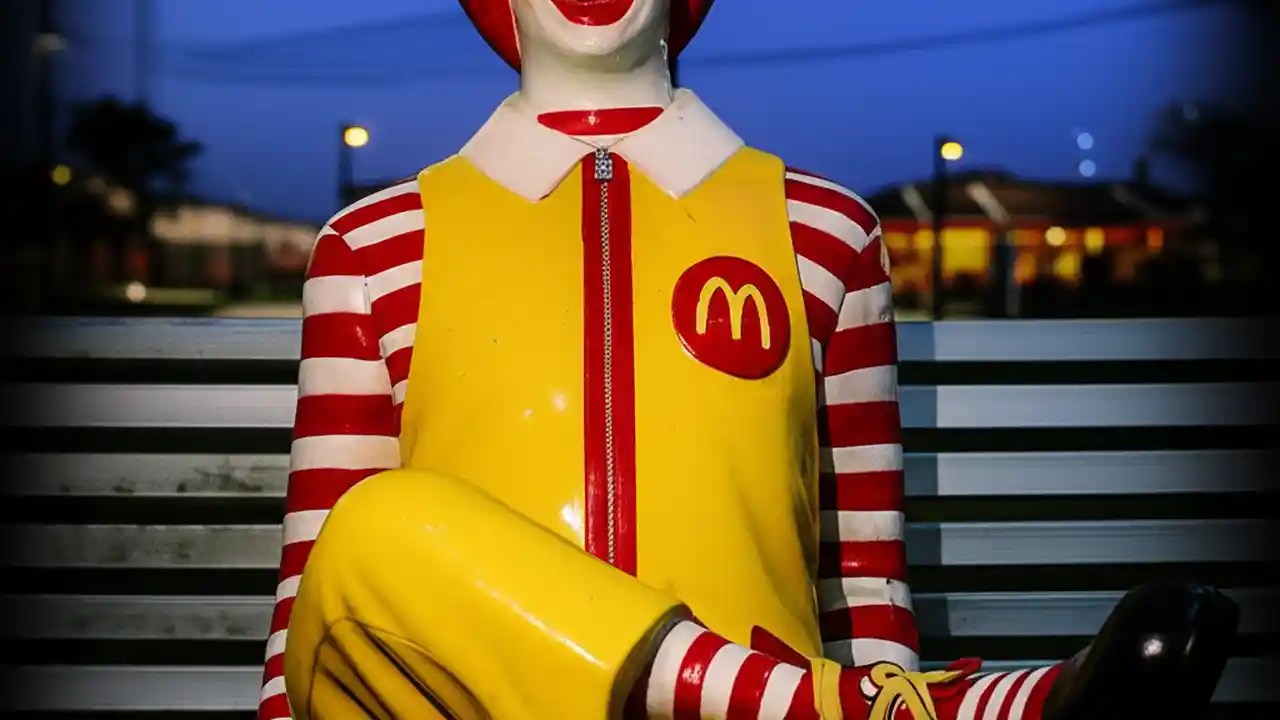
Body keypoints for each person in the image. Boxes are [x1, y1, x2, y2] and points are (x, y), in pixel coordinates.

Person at [257, 1, 1237, 717]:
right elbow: (316, 587)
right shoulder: (381, 242)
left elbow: (862, 575)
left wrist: (873, 672)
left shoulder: (820, 231)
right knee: (373, 528)